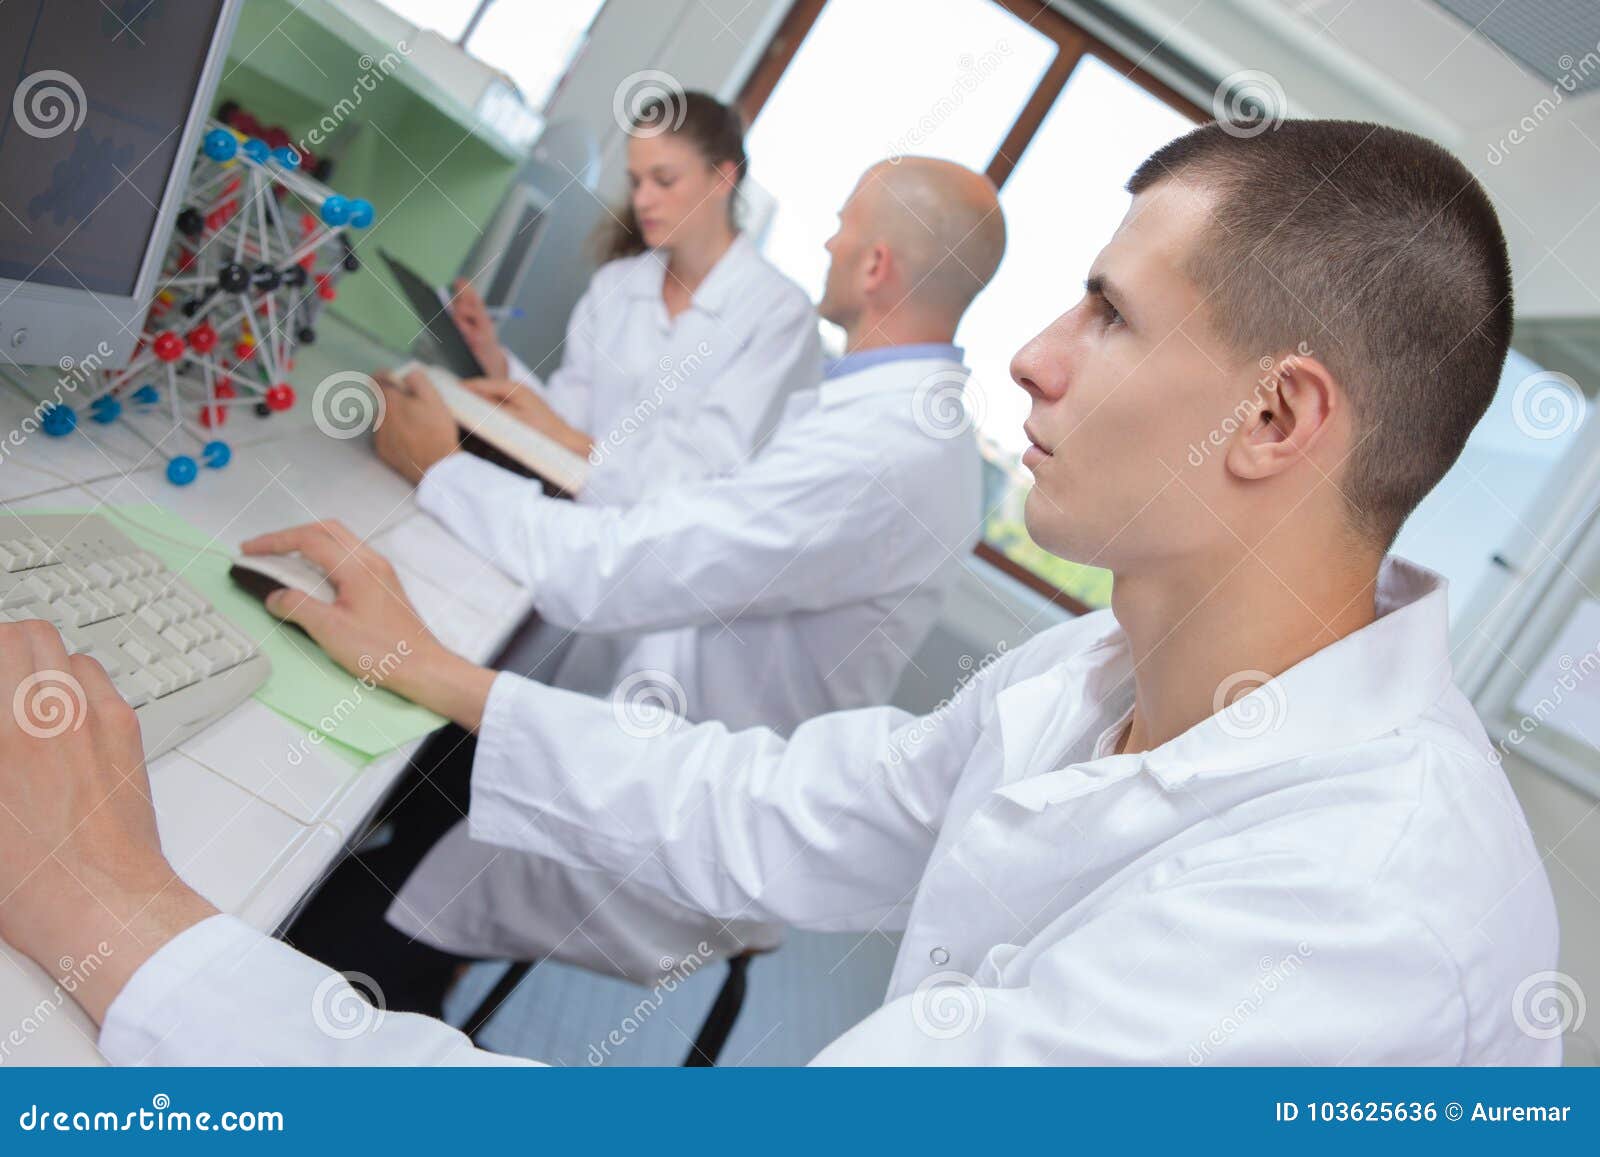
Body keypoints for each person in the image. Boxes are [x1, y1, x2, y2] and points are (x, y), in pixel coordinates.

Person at [0, 118, 1560, 1065]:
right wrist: (443, 674)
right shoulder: (1094, 670)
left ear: (1277, 422)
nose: (1032, 354)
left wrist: (111, 911)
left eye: (1109, 313)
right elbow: (795, 802)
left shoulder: (1356, 915)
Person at [286, 157, 1003, 1002]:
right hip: (658, 743)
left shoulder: (883, 448)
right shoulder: (893, 419)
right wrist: (546, 435)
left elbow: (621, 568)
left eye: (844, 221)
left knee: (322, 928)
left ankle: (389, 1001)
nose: (828, 240)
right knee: (424, 761)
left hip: (683, 814)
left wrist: (444, 471)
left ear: (876, 264)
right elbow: (698, 515)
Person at [446, 89, 820, 508]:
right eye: (636, 181)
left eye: (664, 180)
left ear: (722, 179)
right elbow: (566, 417)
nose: (642, 200)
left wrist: (567, 439)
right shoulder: (617, 284)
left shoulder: (778, 312)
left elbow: (704, 478)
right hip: (568, 518)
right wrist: (494, 360)